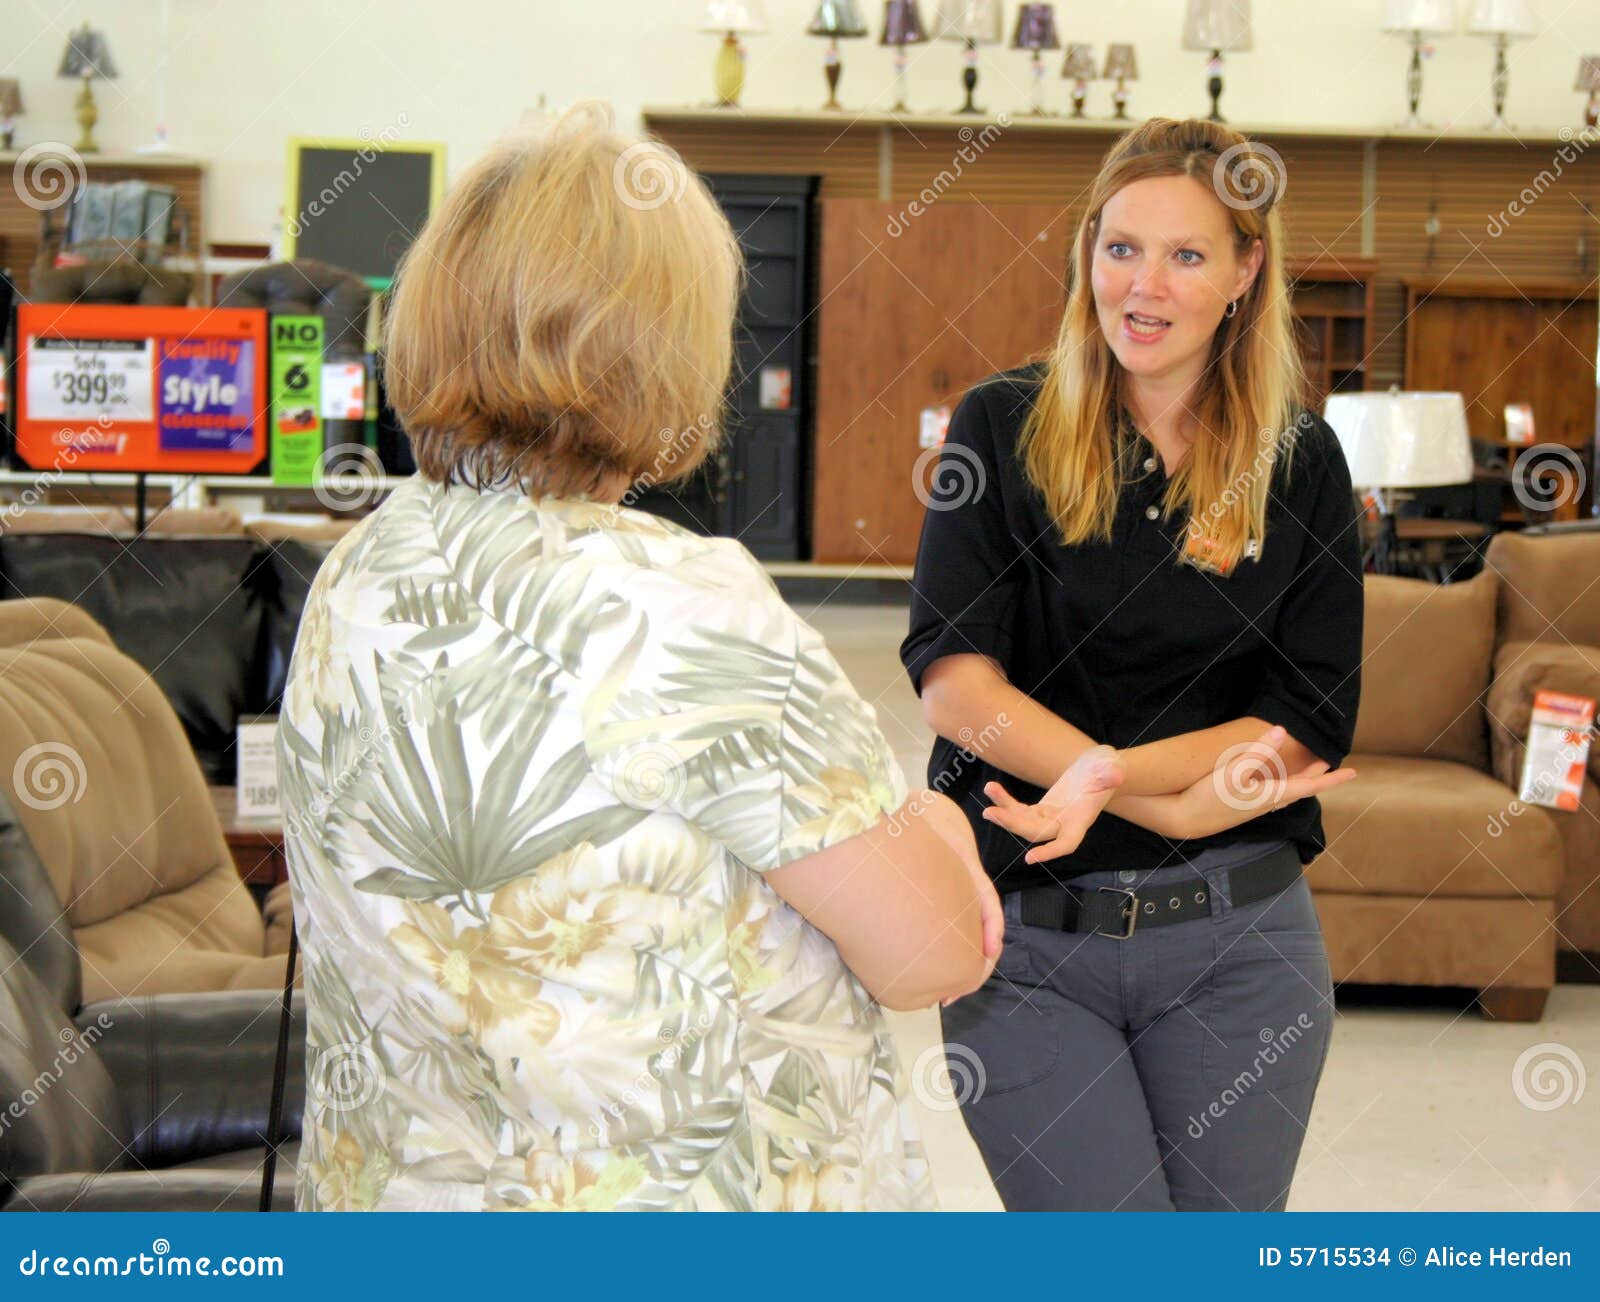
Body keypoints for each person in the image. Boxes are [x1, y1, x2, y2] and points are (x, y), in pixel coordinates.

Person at [276, 104, 1000, 1213]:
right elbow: (932, 953)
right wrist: (941, 825)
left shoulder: (356, 571)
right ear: (664, 352)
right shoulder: (679, 609)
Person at [899, 116, 1364, 1212]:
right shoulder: (1001, 425)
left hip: (1244, 953)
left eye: (1186, 254)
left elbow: (1310, 713)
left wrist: (1107, 779)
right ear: (1086, 255)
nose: (1142, 285)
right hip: (1027, 946)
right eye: (1120, 248)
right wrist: (1160, 800)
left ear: (1246, 271)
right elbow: (956, 681)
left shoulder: (1299, 460)